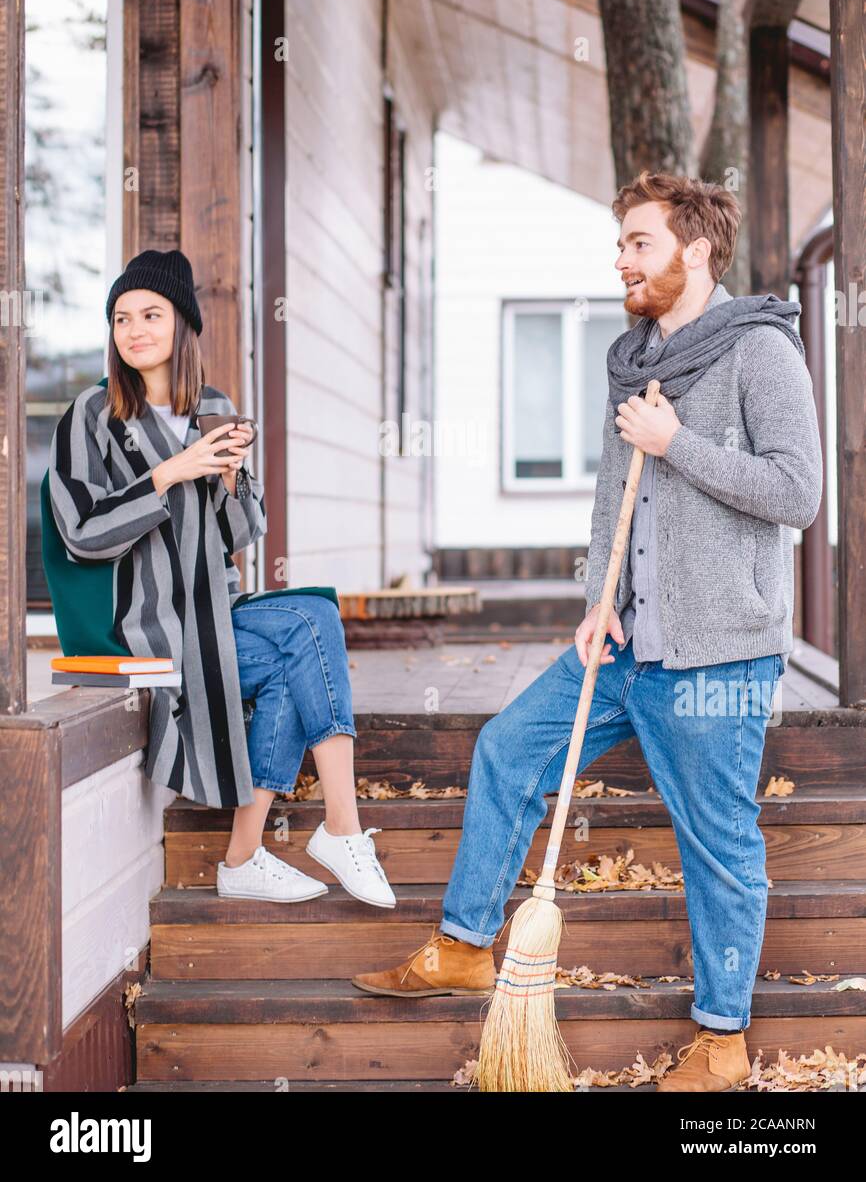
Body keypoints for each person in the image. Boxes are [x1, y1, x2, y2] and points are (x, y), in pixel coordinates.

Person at [351, 173, 823, 1093]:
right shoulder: (633, 358)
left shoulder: (761, 350)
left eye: (639, 243)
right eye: (621, 245)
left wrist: (677, 443)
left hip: (719, 653)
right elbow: (615, 498)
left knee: (719, 843)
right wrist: (596, 597)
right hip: (623, 642)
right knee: (507, 748)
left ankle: (723, 1040)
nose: (621, 260)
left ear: (695, 250)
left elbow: (798, 492)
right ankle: (465, 945)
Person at [47, 248, 394, 910]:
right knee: (305, 638)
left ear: (183, 323)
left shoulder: (211, 406)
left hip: (212, 612)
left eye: (151, 314)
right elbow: (81, 533)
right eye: (121, 318)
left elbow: (239, 533)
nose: (134, 329)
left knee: (312, 625)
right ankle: (316, 837)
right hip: (144, 627)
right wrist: (169, 473)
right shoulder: (91, 415)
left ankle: (270, 851)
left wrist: (231, 478)